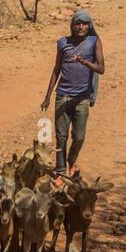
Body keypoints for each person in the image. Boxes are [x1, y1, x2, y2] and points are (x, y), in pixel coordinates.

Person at [40, 9, 104, 178]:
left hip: (82, 97)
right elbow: (56, 69)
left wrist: (85, 62)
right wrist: (47, 97)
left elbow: (101, 68)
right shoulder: (62, 43)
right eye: (78, 23)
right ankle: (60, 170)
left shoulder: (94, 41)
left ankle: (71, 160)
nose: (81, 27)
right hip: (62, 95)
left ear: (89, 25)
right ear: (72, 25)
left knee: (79, 136)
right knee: (61, 136)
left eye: (84, 23)